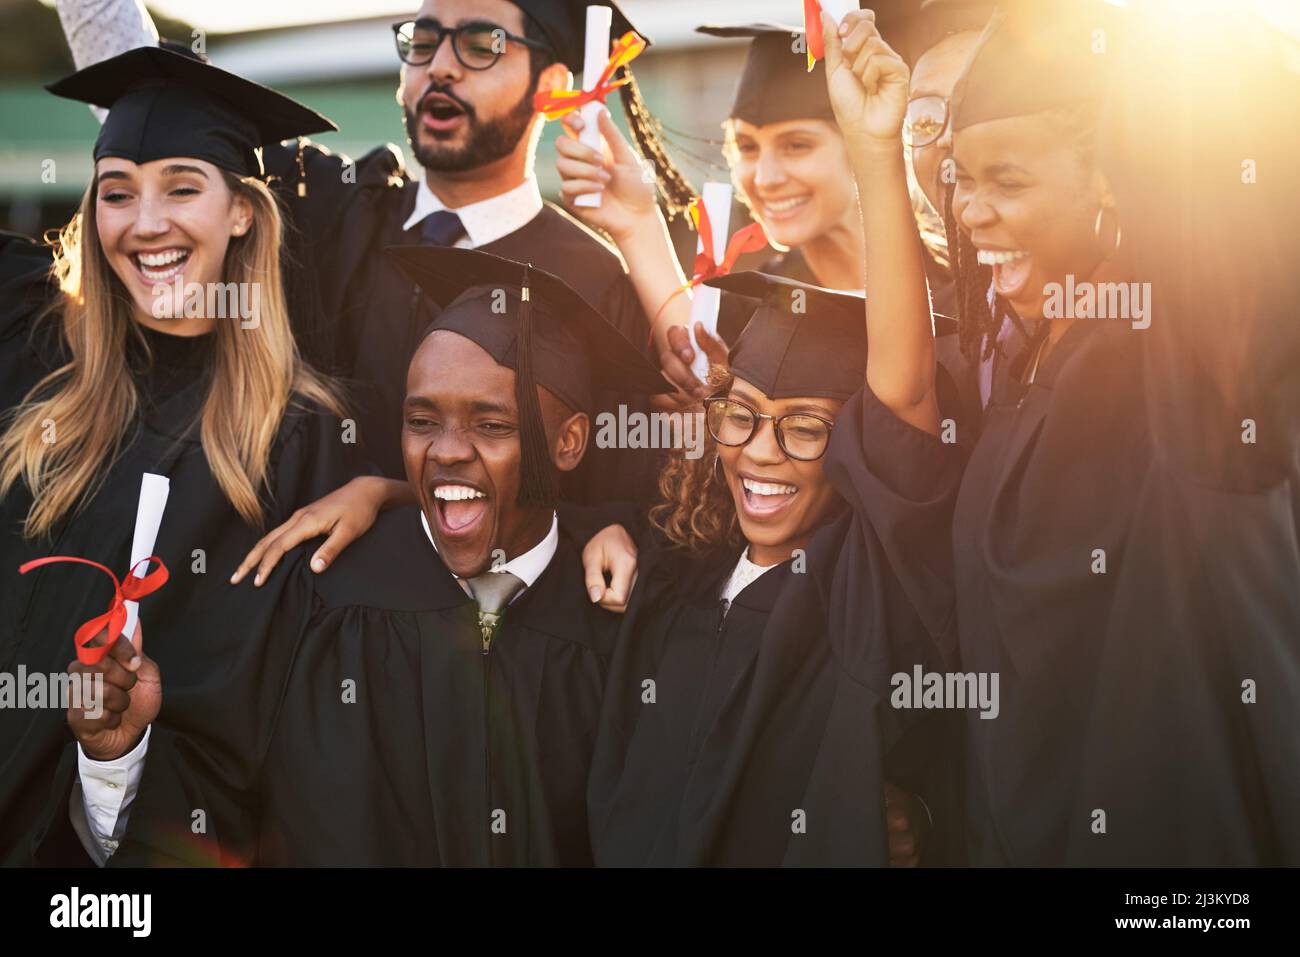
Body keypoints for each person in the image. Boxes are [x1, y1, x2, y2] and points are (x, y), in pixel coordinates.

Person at [847, 0, 1300, 864]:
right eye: (961, 179)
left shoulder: (1171, 368)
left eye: (1007, 181)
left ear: (1113, 179)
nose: (971, 211)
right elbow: (913, 456)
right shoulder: (1039, 359)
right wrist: (874, 153)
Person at [57, 247, 674, 866]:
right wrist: (118, 758)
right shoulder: (314, 595)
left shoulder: (623, 622)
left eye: (492, 426)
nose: (446, 452)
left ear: (568, 443)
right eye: (422, 420)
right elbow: (209, 812)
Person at [53, 0, 687, 506]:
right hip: (288, 621)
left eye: (480, 45)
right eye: (423, 41)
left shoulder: (592, 280)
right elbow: (160, 98)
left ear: (552, 85)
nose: (440, 65)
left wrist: (641, 227)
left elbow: (632, 479)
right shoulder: (328, 207)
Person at [0, 47, 363, 864]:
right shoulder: (30, 361)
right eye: (118, 192)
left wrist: (110, 765)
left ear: (242, 211)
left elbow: (248, 738)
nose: (145, 223)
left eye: (182, 187)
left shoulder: (299, 444)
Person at [552, 10, 950, 397]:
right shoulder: (760, 309)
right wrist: (635, 220)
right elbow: (702, 364)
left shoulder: (956, 285)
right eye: (746, 147)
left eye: (797, 145)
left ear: (860, 138)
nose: (765, 177)